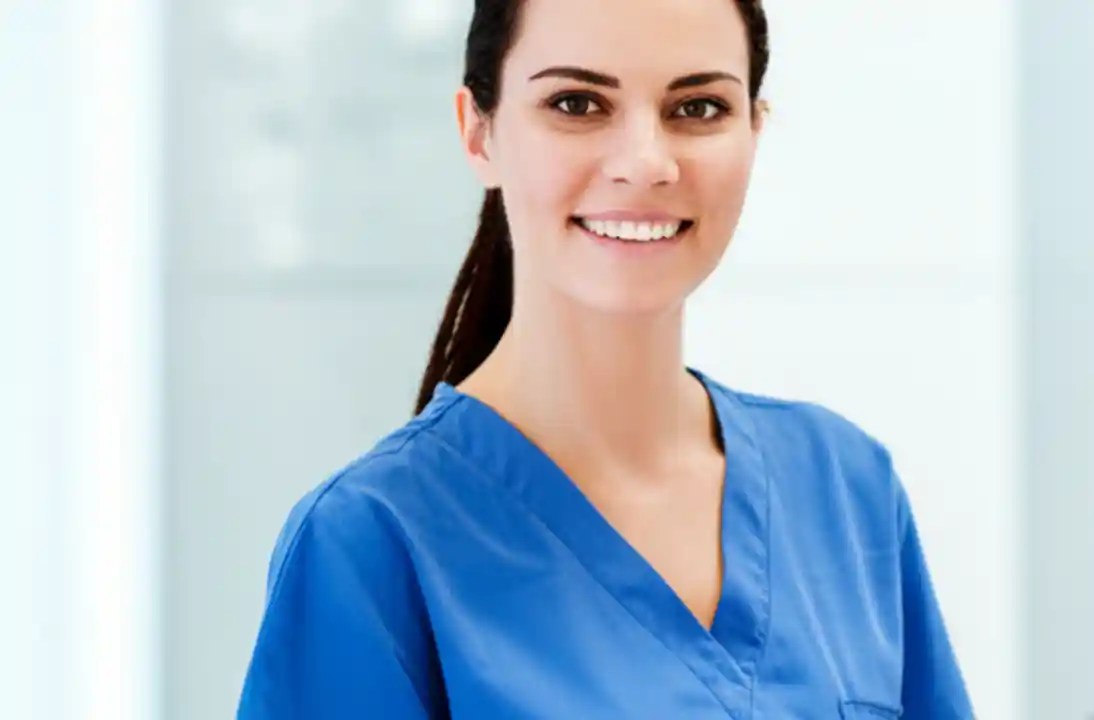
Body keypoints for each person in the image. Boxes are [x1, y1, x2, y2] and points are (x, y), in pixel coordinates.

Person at [236, 0, 973, 717]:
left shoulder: (845, 488)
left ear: (755, 128)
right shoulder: (370, 542)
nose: (646, 163)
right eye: (578, 104)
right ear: (479, 133)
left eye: (698, 108)